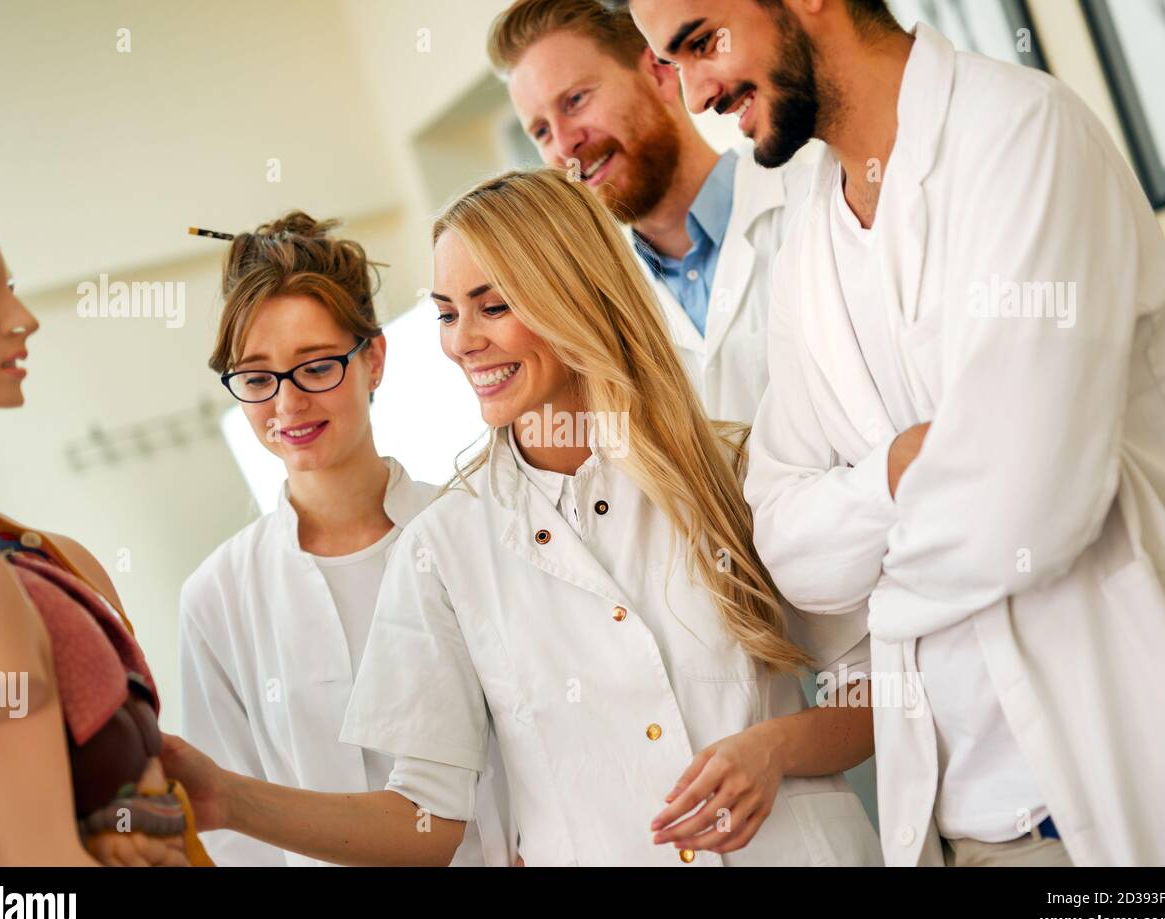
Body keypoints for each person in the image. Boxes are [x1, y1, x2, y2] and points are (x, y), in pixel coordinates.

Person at [621, 0, 1165, 865]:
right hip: (966, 828)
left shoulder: (1020, 139)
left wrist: (885, 588)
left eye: (701, 42)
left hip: (1124, 797)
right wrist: (898, 475)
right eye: (672, 62)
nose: (696, 91)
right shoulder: (807, 248)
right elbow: (787, 547)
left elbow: (1027, 510)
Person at [165, 168, 880, 866]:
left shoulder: (732, 469)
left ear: (574, 297)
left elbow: (873, 686)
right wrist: (229, 801)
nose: (461, 341)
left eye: (493, 305)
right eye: (447, 313)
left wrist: (774, 747)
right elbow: (427, 820)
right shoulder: (445, 546)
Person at [178, 212, 512, 866]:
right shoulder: (217, 597)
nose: (288, 405)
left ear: (375, 360)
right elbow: (231, 838)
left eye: (316, 366)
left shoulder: (474, 531)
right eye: (256, 378)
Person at [0, 188, 208, 866]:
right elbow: (21, 898)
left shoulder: (50, 562)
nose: (23, 319)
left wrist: (113, 824)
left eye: (11, 288)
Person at [489, 0, 819, 424]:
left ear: (659, 73)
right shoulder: (595, 315)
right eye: (541, 131)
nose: (564, 144)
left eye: (575, 100)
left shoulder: (812, 205)